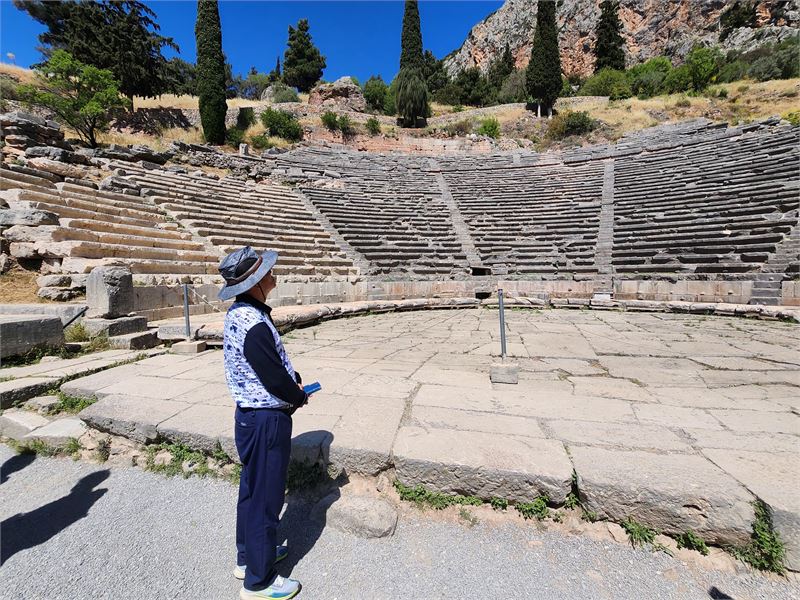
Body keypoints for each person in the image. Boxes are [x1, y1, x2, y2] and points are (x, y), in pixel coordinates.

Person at [219, 246, 308, 600]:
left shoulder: (241, 312)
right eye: (267, 273)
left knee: (252, 492)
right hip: (266, 420)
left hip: (250, 416)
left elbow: (269, 368)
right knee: (266, 500)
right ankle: (259, 581)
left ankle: (248, 558)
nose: (273, 276)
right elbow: (274, 379)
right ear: (255, 283)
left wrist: (292, 379)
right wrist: (298, 395)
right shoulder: (254, 323)